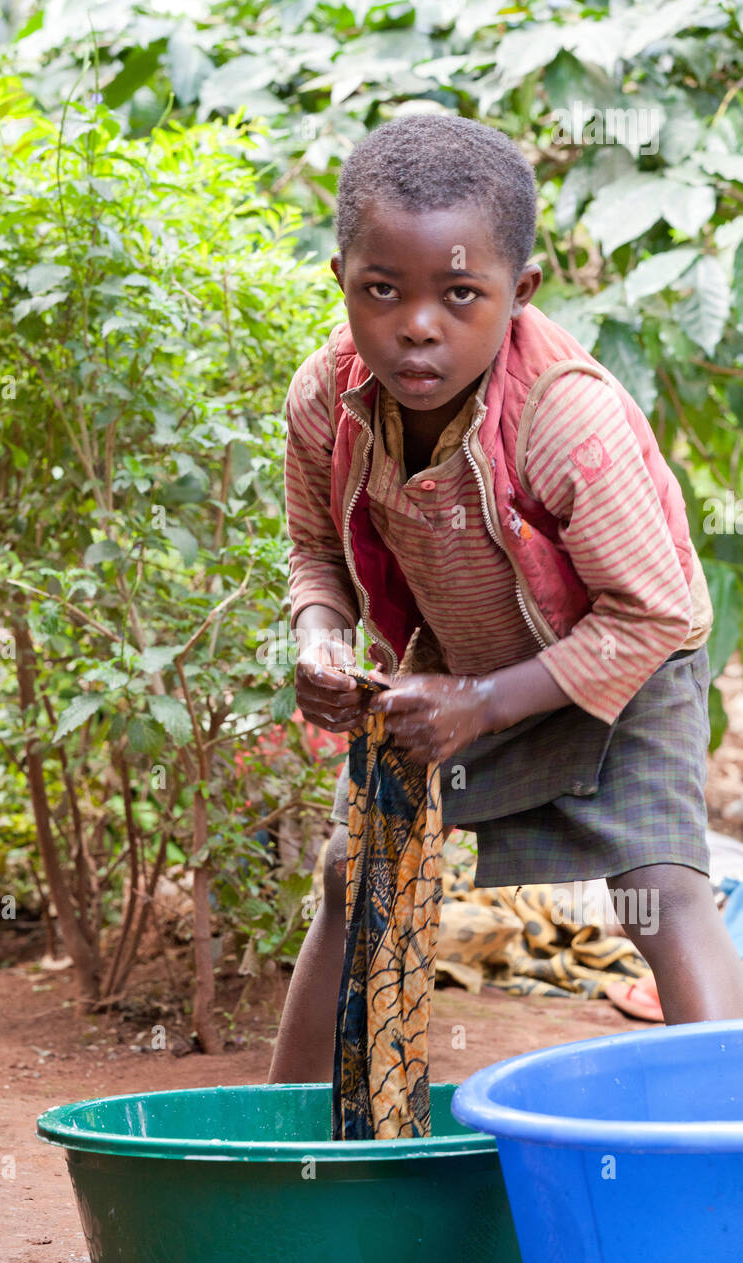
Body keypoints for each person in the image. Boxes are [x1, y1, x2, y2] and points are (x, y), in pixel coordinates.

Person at [267, 112, 743, 1084]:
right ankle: (289, 1138)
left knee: (659, 886)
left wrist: (486, 705)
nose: (415, 324)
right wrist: (318, 640)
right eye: (380, 290)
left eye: (459, 295)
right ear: (341, 281)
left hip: (618, 661)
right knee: (350, 876)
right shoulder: (326, 398)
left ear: (517, 295)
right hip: (450, 666)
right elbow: (314, 556)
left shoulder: (562, 413)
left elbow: (650, 614)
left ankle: (719, 1142)